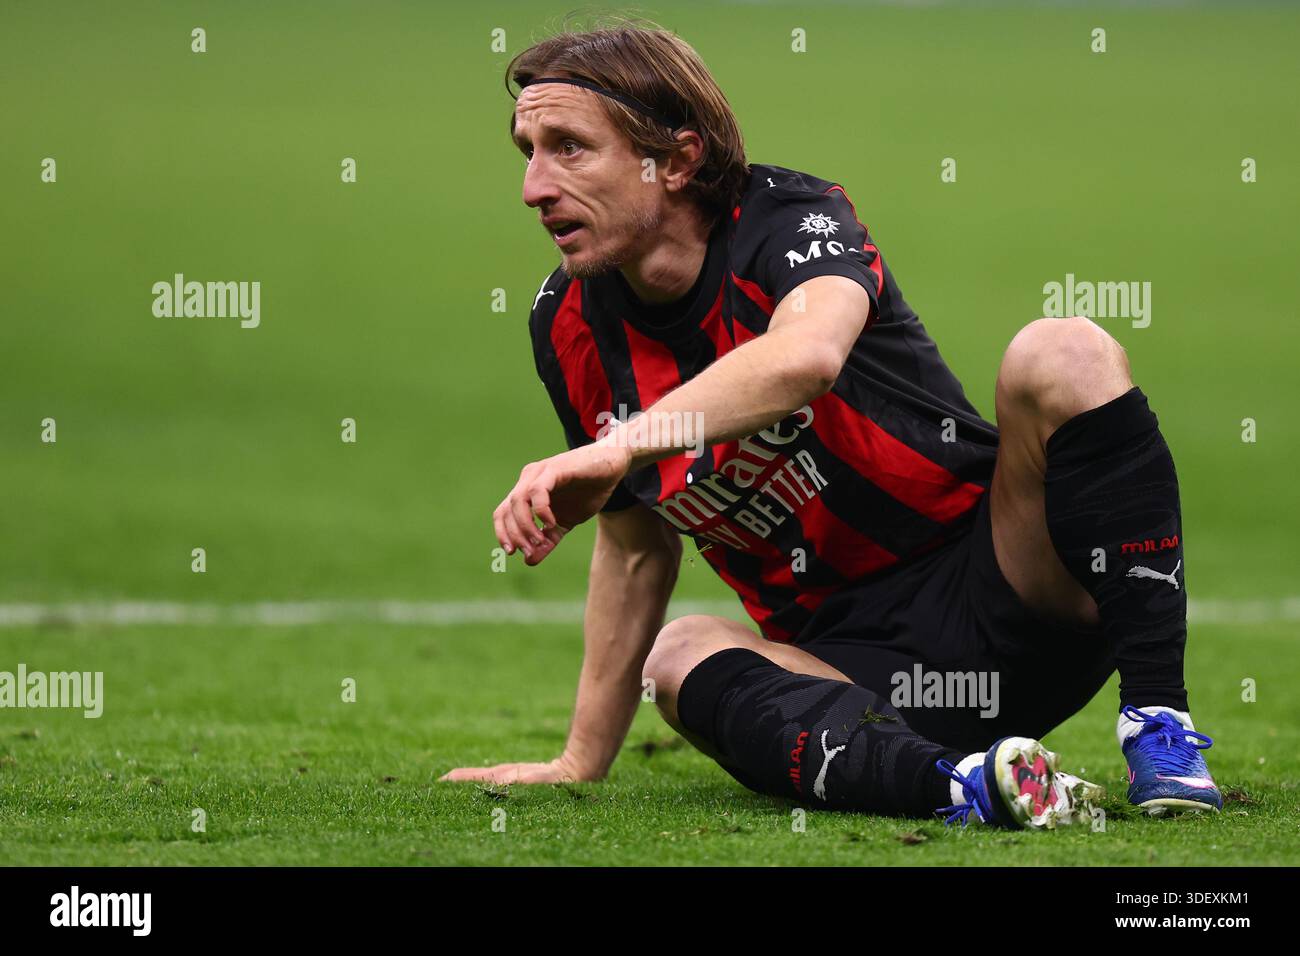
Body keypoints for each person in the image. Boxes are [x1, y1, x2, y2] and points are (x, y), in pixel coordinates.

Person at [440, 22, 1220, 828]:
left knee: (1063, 350)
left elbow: (805, 357)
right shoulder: (567, 325)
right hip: (848, 669)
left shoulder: (790, 219)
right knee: (675, 656)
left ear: (675, 159)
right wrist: (578, 759)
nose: (534, 187)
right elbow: (637, 549)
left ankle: (1160, 727)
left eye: (568, 147)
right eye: (527, 151)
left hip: (1013, 584)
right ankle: (969, 784)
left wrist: (623, 442)